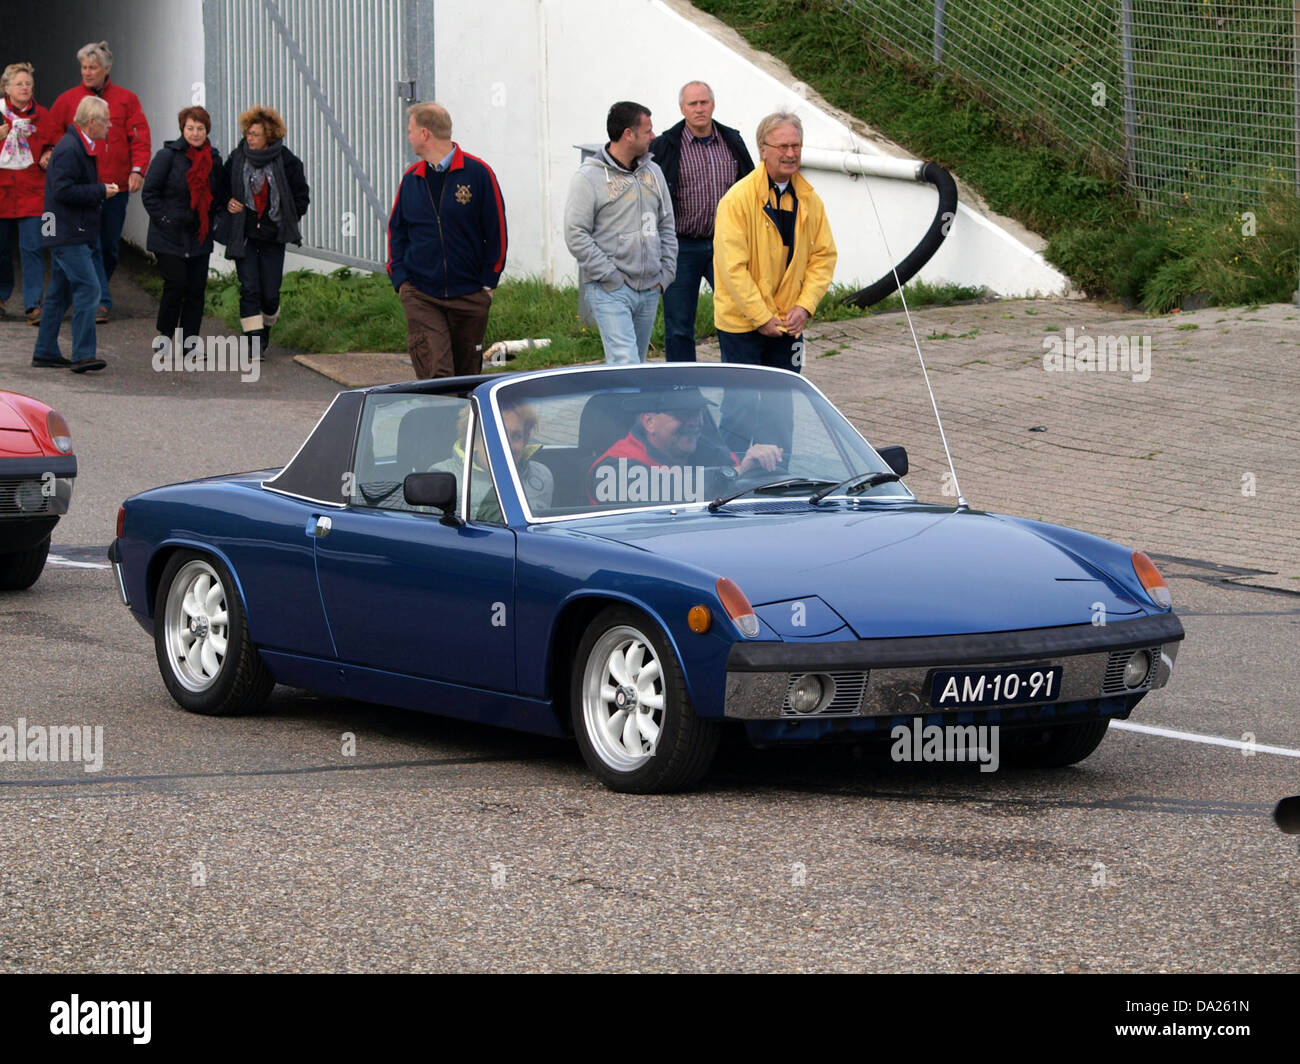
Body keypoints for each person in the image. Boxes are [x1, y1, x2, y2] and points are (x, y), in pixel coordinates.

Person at [713, 111, 836, 462]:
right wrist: (761, 316)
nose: (791, 153)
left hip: (788, 325)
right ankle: (730, 475)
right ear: (763, 150)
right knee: (740, 406)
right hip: (742, 324)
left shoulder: (810, 200)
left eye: (796, 145)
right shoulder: (737, 200)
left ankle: (779, 479)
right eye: (782, 145)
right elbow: (731, 267)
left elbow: (823, 256)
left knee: (782, 409)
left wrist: (805, 306)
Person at [387, 101, 507, 380]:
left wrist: (488, 282)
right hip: (421, 294)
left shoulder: (478, 174)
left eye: (410, 130)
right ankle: (437, 424)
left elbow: (497, 229)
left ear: (425, 134)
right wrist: (401, 280)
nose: (409, 136)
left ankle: (463, 424)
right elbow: (397, 230)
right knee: (437, 375)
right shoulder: (411, 178)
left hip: (469, 295)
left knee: (466, 377)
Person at [564, 101, 676, 365]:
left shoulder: (654, 172)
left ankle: (621, 406)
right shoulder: (588, 178)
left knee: (634, 363)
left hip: (650, 287)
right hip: (611, 290)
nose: (654, 136)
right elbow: (575, 233)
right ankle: (628, 407)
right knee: (625, 363)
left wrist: (665, 274)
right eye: (648, 130)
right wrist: (609, 275)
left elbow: (667, 224)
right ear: (628, 134)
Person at [47, 41, 151, 324]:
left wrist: (138, 170)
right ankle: (99, 300)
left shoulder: (126, 99)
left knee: (108, 246)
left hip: (115, 188)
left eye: (93, 67)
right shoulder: (68, 100)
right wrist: (53, 153)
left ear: (106, 69)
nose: (87, 72)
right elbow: (51, 131)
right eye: (83, 67)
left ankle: (94, 289)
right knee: (87, 243)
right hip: (83, 190)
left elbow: (139, 137)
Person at [650, 81, 753, 362]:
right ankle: (682, 384)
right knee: (679, 323)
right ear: (682, 108)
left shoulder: (732, 141)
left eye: (704, 102)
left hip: (726, 244)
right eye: (693, 104)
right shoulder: (666, 146)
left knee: (737, 315)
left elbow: (751, 186)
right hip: (681, 246)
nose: (699, 109)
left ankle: (736, 374)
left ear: (713, 104)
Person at [32, 96, 117, 373]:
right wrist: (101, 191)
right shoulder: (71, 148)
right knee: (89, 288)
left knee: (60, 292)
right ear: (91, 122)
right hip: (66, 231)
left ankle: (45, 351)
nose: (110, 125)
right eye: (106, 121)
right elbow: (62, 191)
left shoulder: (77, 144)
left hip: (64, 229)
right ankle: (82, 355)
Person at [588, 386, 781, 505]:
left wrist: (759, 467)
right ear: (649, 422)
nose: (694, 423)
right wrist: (738, 471)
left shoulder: (712, 453)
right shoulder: (612, 467)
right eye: (682, 414)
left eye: (698, 413)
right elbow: (668, 493)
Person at [222, 106, 310, 352]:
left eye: (255, 134)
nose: (249, 138)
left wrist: (287, 217)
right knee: (249, 287)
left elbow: (301, 196)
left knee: (270, 292)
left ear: (269, 137)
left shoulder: (288, 161)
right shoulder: (237, 158)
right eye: (248, 133)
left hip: (273, 234)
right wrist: (227, 202)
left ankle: (266, 325)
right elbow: (221, 187)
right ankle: (254, 341)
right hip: (244, 234)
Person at [141, 106, 226, 351]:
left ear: (206, 130)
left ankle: (190, 341)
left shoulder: (214, 159)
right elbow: (150, 194)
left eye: (200, 128)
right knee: (176, 284)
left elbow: (219, 194)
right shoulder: (167, 156)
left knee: (196, 289)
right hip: (168, 236)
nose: (195, 133)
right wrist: (166, 220)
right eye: (190, 128)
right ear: (182, 129)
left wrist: (218, 218)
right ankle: (165, 335)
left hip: (199, 235)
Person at [0, 63, 54, 325]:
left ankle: (34, 304)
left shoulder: (43, 115)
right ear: (6, 87)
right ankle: (1, 297)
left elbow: (56, 141)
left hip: (33, 192)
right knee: (1, 249)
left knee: (32, 248)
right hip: (2, 193)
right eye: (19, 84)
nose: (25, 88)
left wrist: (48, 153)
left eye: (28, 84)